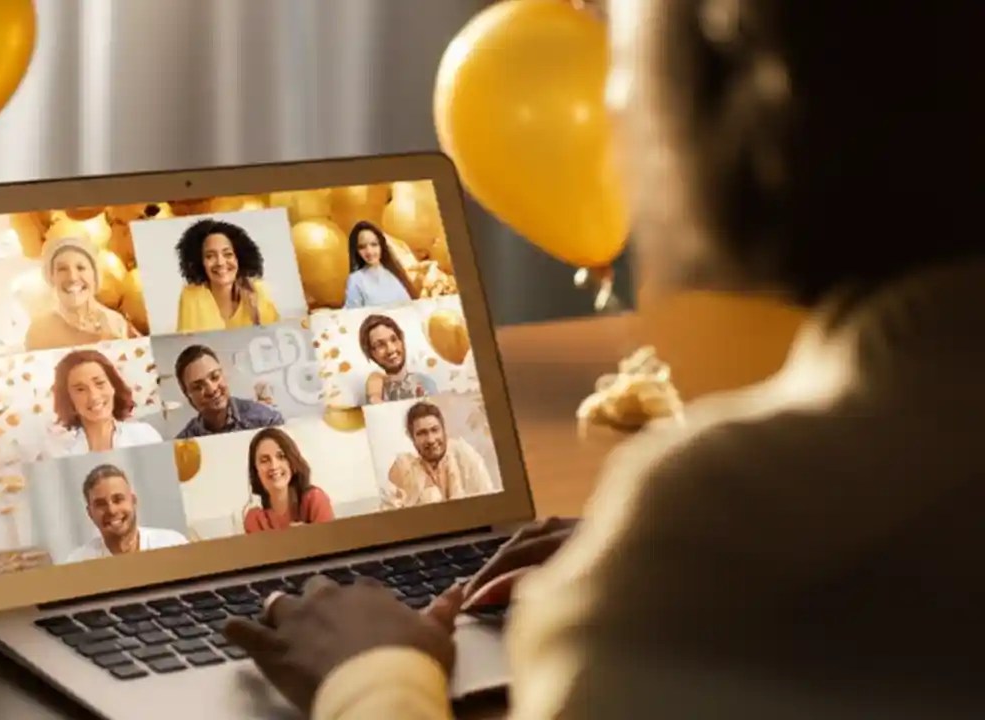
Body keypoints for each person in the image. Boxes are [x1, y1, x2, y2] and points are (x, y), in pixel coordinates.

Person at [221, 2, 985, 719]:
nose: (609, 102)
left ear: (752, 90)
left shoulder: (720, 541)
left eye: (619, 41)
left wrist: (374, 673)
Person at [24, 235, 134, 350]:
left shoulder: (116, 323)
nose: (72, 277)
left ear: (94, 276)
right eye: (62, 269)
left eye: (81, 268)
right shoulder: (39, 332)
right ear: (51, 277)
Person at [48, 349, 161, 456]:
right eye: (80, 389)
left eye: (100, 383)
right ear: (68, 398)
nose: (93, 396)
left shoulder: (145, 435)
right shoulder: (60, 452)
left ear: (113, 386)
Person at [174, 218, 280, 332]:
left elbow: (274, 338)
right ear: (200, 262)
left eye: (228, 254)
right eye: (210, 256)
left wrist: (256, 315)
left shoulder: (259, 291)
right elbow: (188, 346)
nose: (220, 262)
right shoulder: (191, 296)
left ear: (239, 258)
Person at [382, 401, 494, 508]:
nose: (431, 440)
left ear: (444, 430)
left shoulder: (465, 457)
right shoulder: (405, 470)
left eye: (434, 430)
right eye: (422, 433)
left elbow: (489, 503)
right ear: (412, 438)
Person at [65, 464, 187, 562]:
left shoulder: (173, 544)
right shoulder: (77, 563)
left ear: (133, 501)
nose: (112, 510)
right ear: (90, 513)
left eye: (118, 499)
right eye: (101, 504)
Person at [173, 344, 283, 438]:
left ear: (224, 375)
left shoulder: (267, 421)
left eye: (215, 377)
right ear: (187, 394)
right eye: (198, 387)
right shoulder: (182, 443)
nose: (212, 390)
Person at [243, 427, 335, 533]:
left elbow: (331, 543)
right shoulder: (255, 519)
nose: (273, 465)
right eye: (264, 460)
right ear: (256, 471)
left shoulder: (314, 499)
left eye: (281, 456)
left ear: (292, 462)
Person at [359, 314, 437, 404]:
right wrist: (374, 397)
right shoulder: (376, 384)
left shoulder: (424, 382)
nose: (391, 349)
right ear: (371, 354)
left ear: (402, 340)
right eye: (379, 345)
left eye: (394, 339)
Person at [343, 220, 418, 308]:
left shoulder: (394, 274)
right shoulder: (356, 279)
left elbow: (409, 307)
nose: (369, 252)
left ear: (381, 245)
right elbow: (352, 315)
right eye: (362, 247)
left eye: (374, 244)